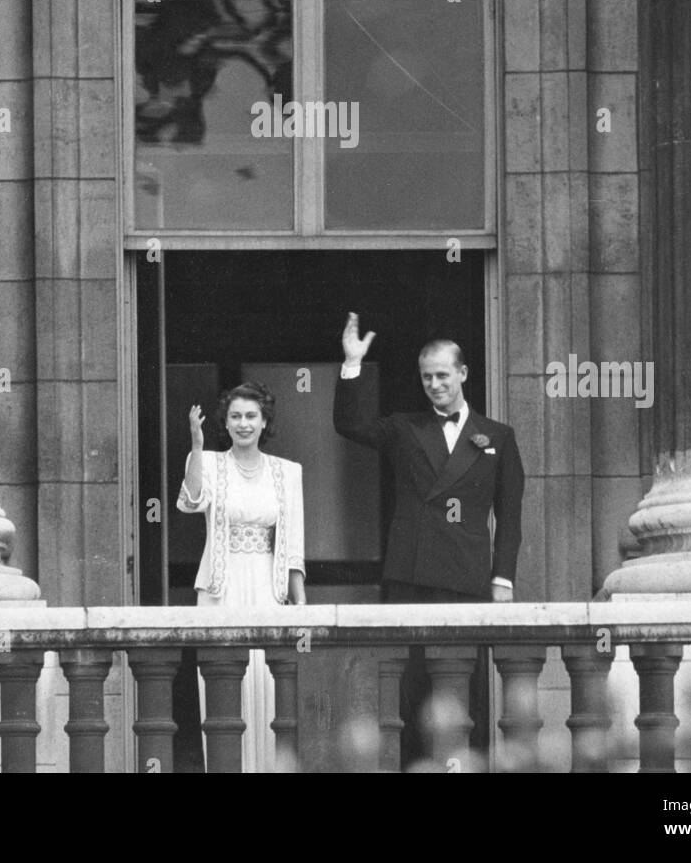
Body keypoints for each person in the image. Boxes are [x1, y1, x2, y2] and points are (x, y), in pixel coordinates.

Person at [333, 311, 524, 760]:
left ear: (463, 373)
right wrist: (352, 364)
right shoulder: (405, 428)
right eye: (426, 378)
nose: (435, 384)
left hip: (468, 580)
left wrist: (503, 580)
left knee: (464, 693)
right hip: (411, 577)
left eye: (442, 375)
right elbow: (351, 425)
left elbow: (510, 516)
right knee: (411, 692)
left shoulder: (498, 436)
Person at [177, 381, 305, 772]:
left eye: (252, 416)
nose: (244, 424)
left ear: (265, 421)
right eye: (236, 416)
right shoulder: (209, 462)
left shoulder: (288, 471)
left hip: (268, 586)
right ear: (225, 423)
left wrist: (300, 601)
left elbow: (294, 538)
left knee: (267, 685)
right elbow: (191, 501)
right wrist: (197, 446)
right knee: (222, 683)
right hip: (222, 585)